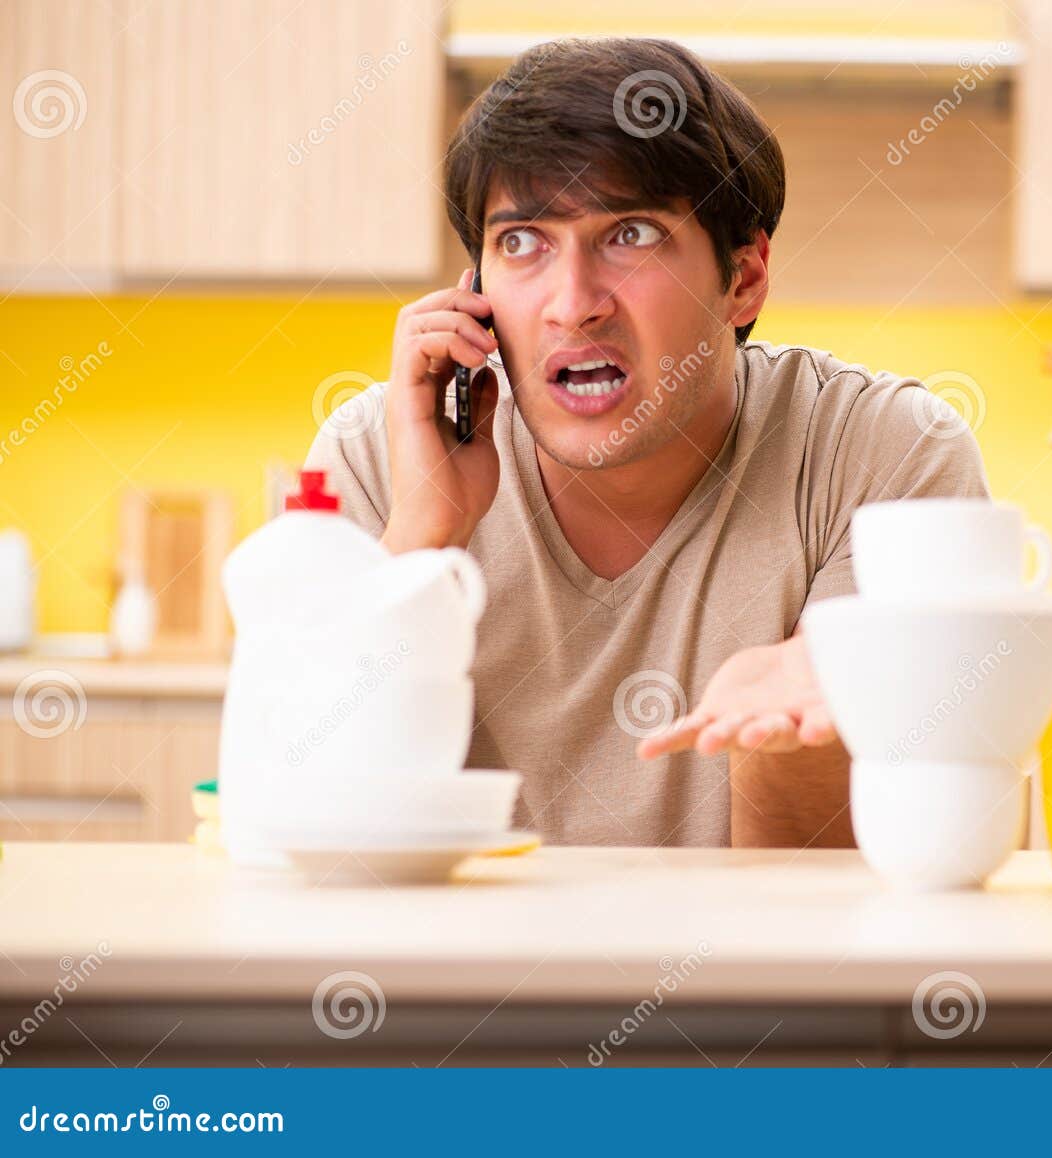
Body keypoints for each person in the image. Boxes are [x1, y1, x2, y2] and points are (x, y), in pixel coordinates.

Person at [308, 37, 988, 848]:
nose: (573, 304)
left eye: (630, 233)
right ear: (477, 290)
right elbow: (310, 830)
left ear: (744, 279)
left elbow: (860, 882)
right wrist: (420, 543)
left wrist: (791, 739)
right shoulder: (377, 455)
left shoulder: (884, 456)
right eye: (522, 241)